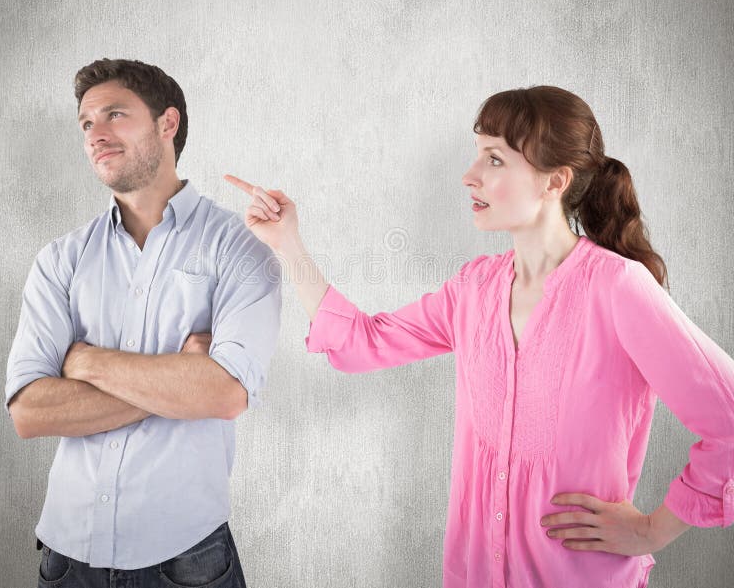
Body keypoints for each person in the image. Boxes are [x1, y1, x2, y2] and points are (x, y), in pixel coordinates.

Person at [224, 85, 734, 587]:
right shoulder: (475, 288)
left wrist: (650, 531)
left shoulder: (618, 288)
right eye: (477, 155)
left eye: (494, 160)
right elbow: (361, 343)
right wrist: (288, 244)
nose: (469, 176)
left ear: (554, 181)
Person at [6, 58, 280, 587]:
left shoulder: (241, 248)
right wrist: (180, 377)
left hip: (187, 561)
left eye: (115, 115)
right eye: (87, 123)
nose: (96, 135)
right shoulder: (60, 260)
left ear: (167, 124)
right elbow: (30, 412)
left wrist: (84, 362)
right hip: (65, 563)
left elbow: (225, 395)